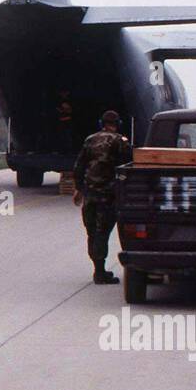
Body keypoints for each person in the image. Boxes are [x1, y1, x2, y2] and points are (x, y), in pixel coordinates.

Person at [72, 109, 132, 284]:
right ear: (118, 124)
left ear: (101, 123)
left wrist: (79, 189)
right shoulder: (120, 142)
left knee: (91, 232)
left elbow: (78, 167)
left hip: (90, 195)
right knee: (102, 232)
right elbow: (127, 167)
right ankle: (99, 272)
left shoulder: (89, 140)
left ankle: (97, 268)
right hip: (108, 196)